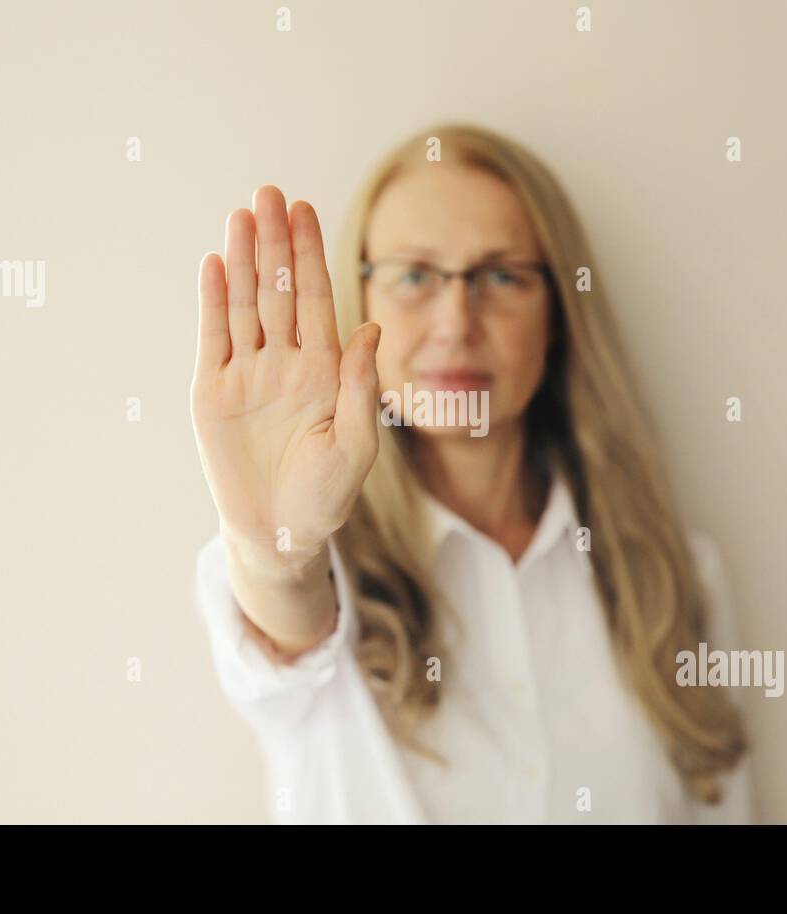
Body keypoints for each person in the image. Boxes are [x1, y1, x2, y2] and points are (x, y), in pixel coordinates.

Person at [190, 123, 755, 824]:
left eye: (502, 276)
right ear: (361, 299)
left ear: (557, 313)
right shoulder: (315, 568)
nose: (457, 322)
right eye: (416, 275)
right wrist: (276, 550)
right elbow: (286, 622)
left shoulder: (679, 583)